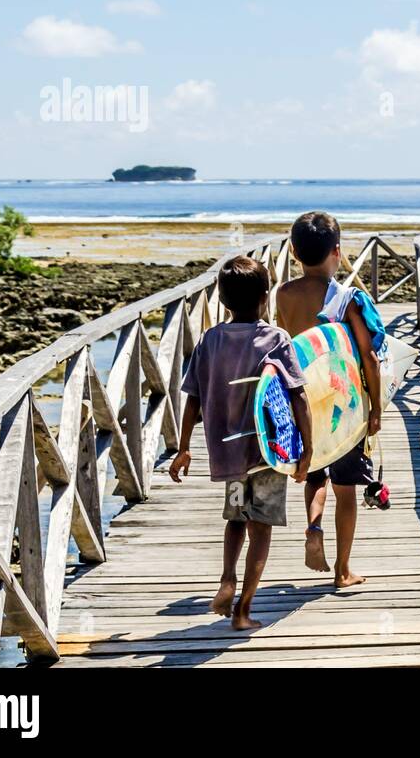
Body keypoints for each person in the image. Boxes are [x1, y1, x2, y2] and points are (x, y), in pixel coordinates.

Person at [169, 256, 311, 629]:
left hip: (230, 454)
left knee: (236, 518)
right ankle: (243, 611)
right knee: (260, 527)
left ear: (223, 300)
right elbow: (298, 397)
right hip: (267, 453)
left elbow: (193, 397)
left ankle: (226, 577)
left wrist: (184, 447)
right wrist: (308, 449)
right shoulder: (275, 339)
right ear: (266, 297)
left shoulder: (211, 340)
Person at [276, 211, 383, 587]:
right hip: (342, 404)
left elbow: (290, 344)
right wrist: (376, 409)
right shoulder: (346, 299)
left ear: (293, 252)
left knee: (314, 471)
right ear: (338, 251)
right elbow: (368, 357)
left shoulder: (283, 294)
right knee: (346, 489)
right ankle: (342, 570)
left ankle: (313, 525)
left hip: (303, 401)